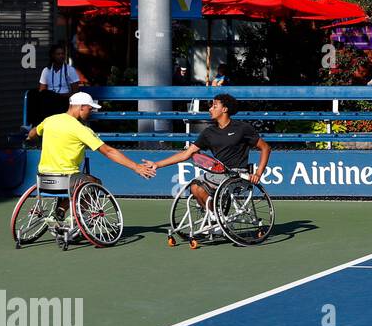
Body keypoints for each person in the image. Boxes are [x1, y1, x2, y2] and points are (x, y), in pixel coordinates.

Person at [25, 92, 155, 216]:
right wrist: (135, 167)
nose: (91, 112)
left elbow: (33, 132)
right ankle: (66, 214)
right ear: (81, 107)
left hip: (43, 178)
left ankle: (60, 210)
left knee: (80, 181)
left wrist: (30, 139)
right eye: (90, 108)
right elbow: (108, 151)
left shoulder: (50, 120)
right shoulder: (82, 130)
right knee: (95, 183)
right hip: (67, 179)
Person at [143, 93, 271, 207]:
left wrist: (258, 173)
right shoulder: (209, 132)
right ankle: (215, 217)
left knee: (200, 188)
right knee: (195, 187)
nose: (210, 109)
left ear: (225, 109)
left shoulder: (242, 128)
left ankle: (216, 219)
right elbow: (186, 154)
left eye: (214, 106)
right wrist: (157, 164)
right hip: (217, 173)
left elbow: (265, 148)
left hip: (237, 175)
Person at [35, 44, 81, 124]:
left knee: (51, 102)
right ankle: (34, 126)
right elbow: (42, 90)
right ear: (53, 56)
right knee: (34, 95)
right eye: (58, 54)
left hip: (64, 99)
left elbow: (75, 92)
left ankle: (38, 125)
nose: (61, 56)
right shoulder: (46, 70)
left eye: (63, 54)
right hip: (50, 99)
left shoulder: (70, 70)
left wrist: (61, 95)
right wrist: (52, 95)